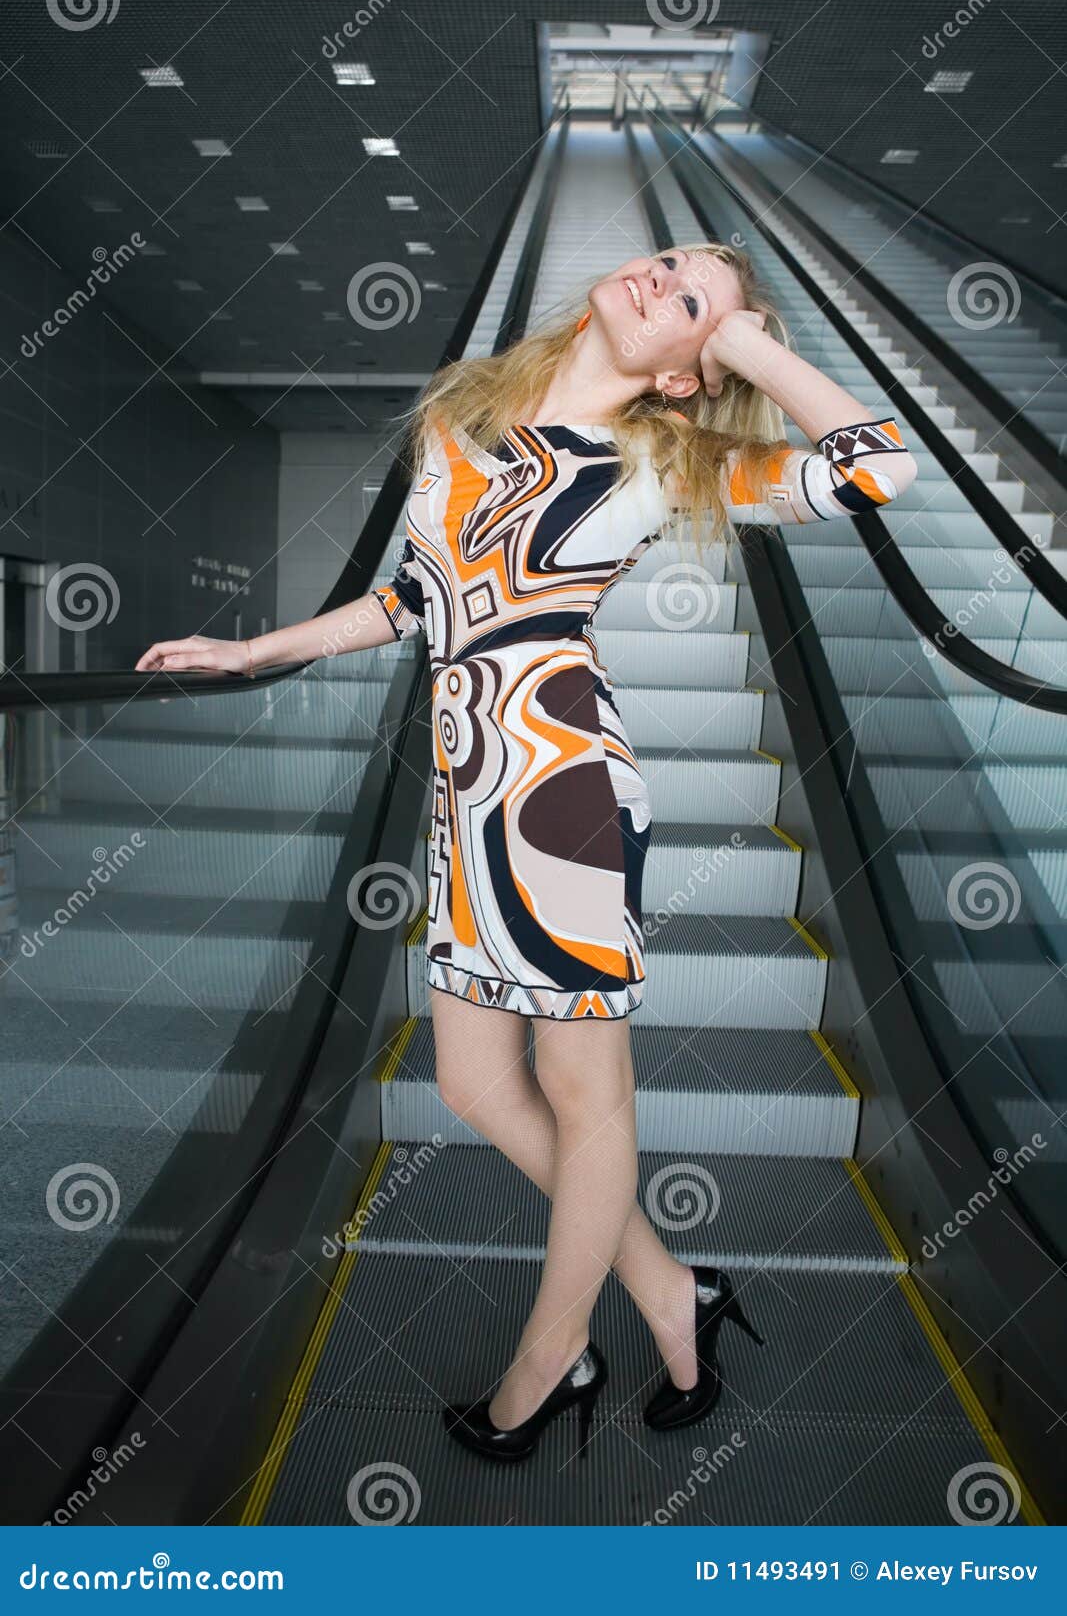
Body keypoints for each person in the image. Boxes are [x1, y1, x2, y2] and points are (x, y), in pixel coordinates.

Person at [136, 243, 916, 1465]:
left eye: (690, 301)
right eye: (667, 264)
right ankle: (671, 1291)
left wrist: (741, 345)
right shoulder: (462, 410)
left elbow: (877, 469)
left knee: (583, 1093)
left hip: (564, 798)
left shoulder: (670, 458)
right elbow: (412, 597)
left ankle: (549, 1362)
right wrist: (255, 651)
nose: (660, 280)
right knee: (470, 1083)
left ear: (685, 370)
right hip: (463, 794)